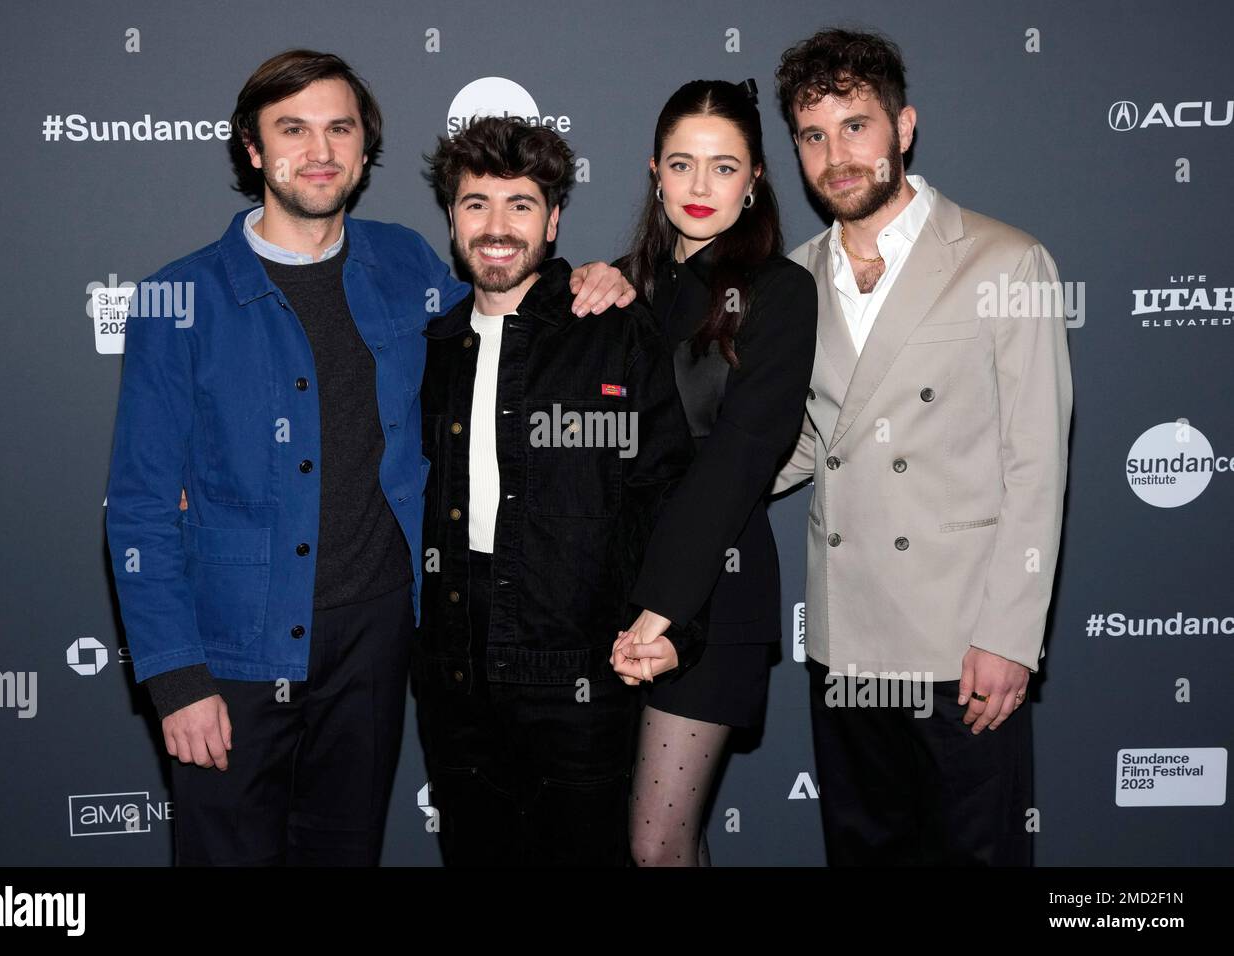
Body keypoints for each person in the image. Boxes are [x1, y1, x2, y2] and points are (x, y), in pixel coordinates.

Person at [105, 49, 633, 866]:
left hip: (377, 641)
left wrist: (596, 279)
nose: (319, 149)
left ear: (362, 150)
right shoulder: (180, 301)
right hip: (235, 647)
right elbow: (140, 505)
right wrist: (176, 678)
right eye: (293, 129)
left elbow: (507, 303)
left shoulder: (407, 267)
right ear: (253, 149)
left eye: (338, 128)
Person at [770, 28, 1073, 865]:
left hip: (960, 642)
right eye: (813, 135)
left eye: (855, 125)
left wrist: (1011, 636)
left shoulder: (1004, 261)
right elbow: (802, 438)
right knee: (864, 852)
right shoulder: (793, 280)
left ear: (903, 128)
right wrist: (693, 478)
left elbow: (1037, 462)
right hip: (846, 639)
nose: (837, 154)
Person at [413, 115, 699, 866]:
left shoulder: (610, 328)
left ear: (555, 219)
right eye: (476, 204)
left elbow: (670, 495)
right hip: (456, 678)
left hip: (579, 679)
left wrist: (676, 629)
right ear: (451, 218)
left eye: (521, 205)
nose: (497, 227)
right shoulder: (436, 348)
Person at [610, 79, 818, 866]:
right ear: (654, 172)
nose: (701, 188)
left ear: (756, 177)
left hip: (714, 586)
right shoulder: (628, 289)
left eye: (724, 167)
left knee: (657, 845)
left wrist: (660, 609)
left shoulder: (780, 292)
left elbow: (741, 457)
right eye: (683, 164)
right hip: (615, 587)